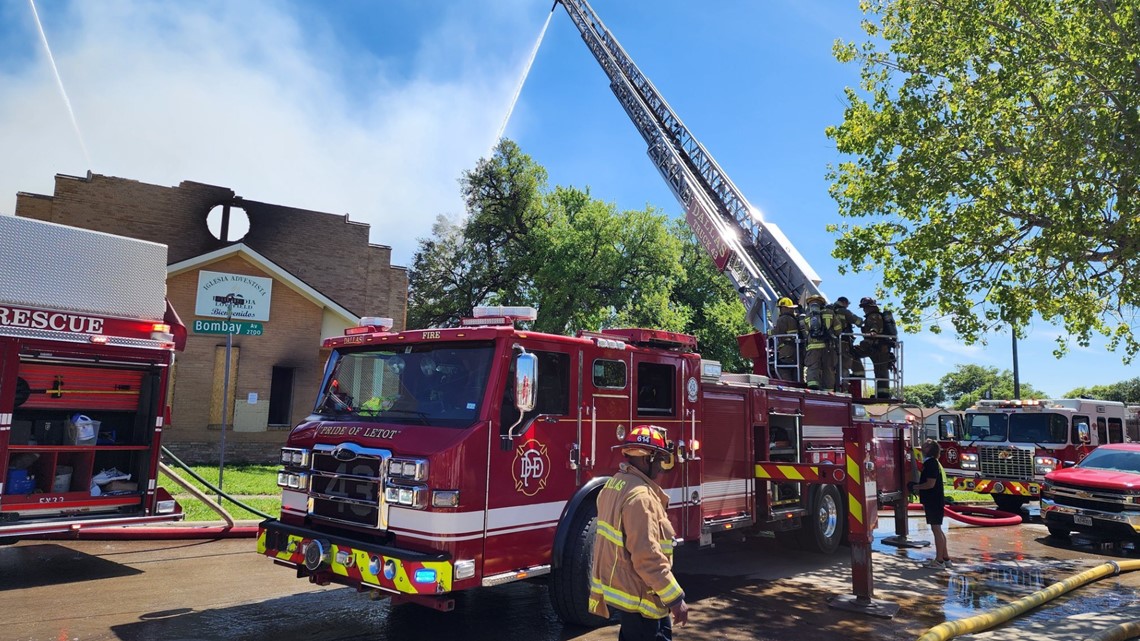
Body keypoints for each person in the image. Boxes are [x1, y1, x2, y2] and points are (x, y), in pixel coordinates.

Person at [589, 424, 689, 640]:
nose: (662, 468)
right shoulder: (641, 497)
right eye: (661, 461)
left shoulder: (614, 485)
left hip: (633, 598)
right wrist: (675, 599)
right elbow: (647, 556)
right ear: (647, 459)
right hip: (643, 598)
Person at [909, 439, 953, 569]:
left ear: (930, 449)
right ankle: (946, 558)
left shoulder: (931, 464)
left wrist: (916, 487)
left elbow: (930, 484)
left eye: (926, 445)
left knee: (936, 529)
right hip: (935, 501)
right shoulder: (931, 463)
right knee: (938, 529)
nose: (922, 446)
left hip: (933, 501)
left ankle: (939, 561)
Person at [798, 294, 839, 390]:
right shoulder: (830, 313)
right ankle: (828, 390)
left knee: (813, 367)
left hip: (813, 348)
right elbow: (838, 329)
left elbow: (806, 332)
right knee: (828, 368)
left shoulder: (807, 317)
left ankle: (813, 386)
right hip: (828, 346)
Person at [857, 297, 894, 399]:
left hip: (879, 347)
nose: (864, 309)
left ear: (871, 307)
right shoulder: (871, 316)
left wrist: (873, 331)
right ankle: (881, 393)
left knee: (880, 370)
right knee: (880, 370)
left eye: (865, 307)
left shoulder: (874, 316)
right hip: (874, 346)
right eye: (863, 307)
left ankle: (883, 394)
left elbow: (875, 326)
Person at [831, 296, 864, 392]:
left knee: (831, 366)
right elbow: (858, 321)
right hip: (843, 343)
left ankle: (832, 388)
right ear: (844, 303)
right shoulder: (844, 311)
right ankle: (844, 389)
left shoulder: (829, 311)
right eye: (848, 304)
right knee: (844, 366)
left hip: (830, 344)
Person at [772, 297, 801, 382]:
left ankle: (788, 390)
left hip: (787, 352)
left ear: (784, 308)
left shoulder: (783, 319)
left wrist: (769, 333)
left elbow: (778, 332)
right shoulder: (795, 319)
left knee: (783, 370)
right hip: (797, 352)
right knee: (797, 373)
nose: (780, 310)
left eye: (780, 308)